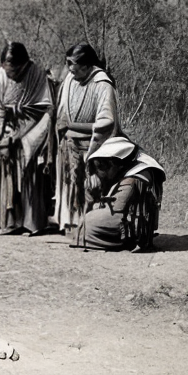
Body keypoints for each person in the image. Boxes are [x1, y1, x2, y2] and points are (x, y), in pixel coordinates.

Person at [0, 42, 54, 235]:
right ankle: (10, 221)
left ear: (22, 66)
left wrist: (20, 135)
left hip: (33, 127)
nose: (10, 76)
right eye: (7, 71)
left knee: (30, 170)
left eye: (14, 73)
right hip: (8, 126)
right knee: (5, 163)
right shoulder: (1, 75)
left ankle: (32, 222)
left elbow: (44, 109)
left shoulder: (37, 75)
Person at [54, 42, 120, 232]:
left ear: (86, 66)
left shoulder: (102, 84)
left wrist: (71, 126)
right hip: (70, 146)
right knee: (72, 188)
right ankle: (73, 224)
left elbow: (106, 123)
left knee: (92, 189)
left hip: (93, 147)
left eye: (73, 67)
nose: (70, 71)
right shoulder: (71, 79)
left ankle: (93, 228)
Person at [79, 136, 165, 250]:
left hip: (129, 230)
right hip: (139, 228)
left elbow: (118, 209)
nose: (101, 171)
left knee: (83, 224)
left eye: (103, 166)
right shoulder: (143, 171)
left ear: (116, 164)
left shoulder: (133, 180)